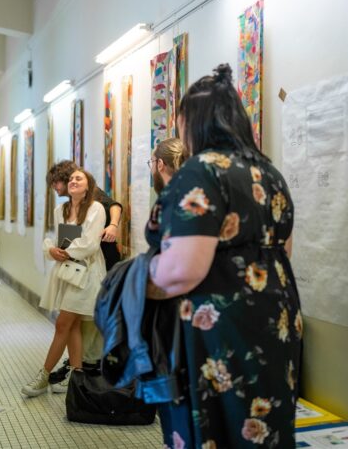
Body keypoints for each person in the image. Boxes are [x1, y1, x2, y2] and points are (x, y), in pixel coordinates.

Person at [145, 64, 301, 448]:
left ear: (193, 122)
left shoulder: (201, 172)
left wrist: (141, 274)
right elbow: (284, 249)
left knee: (218, 428)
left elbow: (183, 269)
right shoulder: (268, 171)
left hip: (220, 329)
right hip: (276, 318)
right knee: (265, 427)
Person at [21, 168, 107, 397]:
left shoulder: (96, 209)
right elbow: (53, 238)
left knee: (62, 324)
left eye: (79, 178)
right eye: (70, 179)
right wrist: (51, 249)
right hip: (67, 273)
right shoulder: (62, 209)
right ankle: (76, 379)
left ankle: (44, 375)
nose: (73, 181)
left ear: (89, 185)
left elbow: (90, 245)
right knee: (73, 326)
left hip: (87, 276)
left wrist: (65, 252)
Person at [46, 160, 120, 381]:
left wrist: (114, 225)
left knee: (71, 323)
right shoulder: (64, 208)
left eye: (55, 184)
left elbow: (114, 205)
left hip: (98, 262)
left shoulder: (94, 200)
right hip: (74, 266)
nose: (55, 188)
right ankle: (77, 371)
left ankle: (72, 370)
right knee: (73, 324)